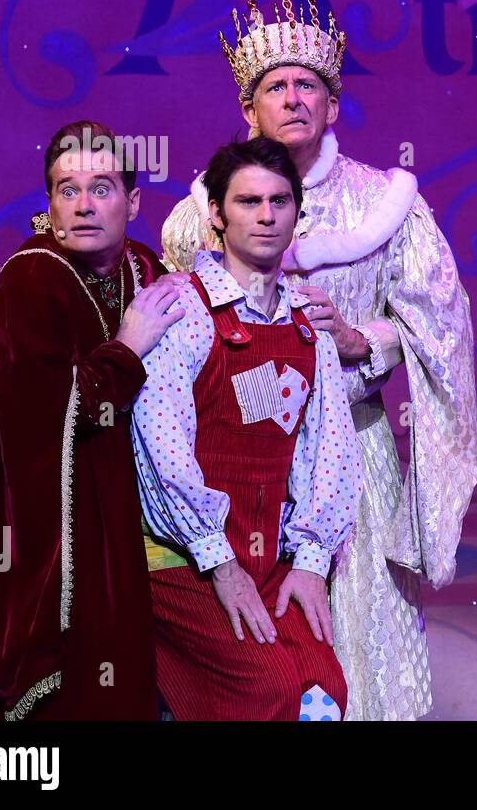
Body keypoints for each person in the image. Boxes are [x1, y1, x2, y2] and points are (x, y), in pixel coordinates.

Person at [161, 0, 477, 719]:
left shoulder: (386, 204)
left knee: (352, 635)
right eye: (277, 85)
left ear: (333, 105)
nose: (294, 98)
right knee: (249, 645)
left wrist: (361, 339)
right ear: (250, 108)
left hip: (352, 451)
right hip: (235, 459)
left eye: (311, 85)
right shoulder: (197, 216)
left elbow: (441, 324)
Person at [0, 120, 182, 720]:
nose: (83, 205)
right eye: (65, 190)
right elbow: (43, 415)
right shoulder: (29, 281)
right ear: (48, 205)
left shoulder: (144, 270)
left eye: (101, 188)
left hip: (131, 518)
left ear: (133, 201)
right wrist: (126, 351)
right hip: (52, 532)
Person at [132, 137, 364, 720]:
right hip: (185, 557)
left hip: (270, 558)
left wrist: (311, 564)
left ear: (296, 211)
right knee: (266, 693)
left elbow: (332, 451)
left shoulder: (308, 322)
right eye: (248, 201)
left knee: (321, 694)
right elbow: (161, 452)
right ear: (216, 212)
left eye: (279, 201)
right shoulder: (181, 308)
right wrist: (221, 562)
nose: (265, 215)